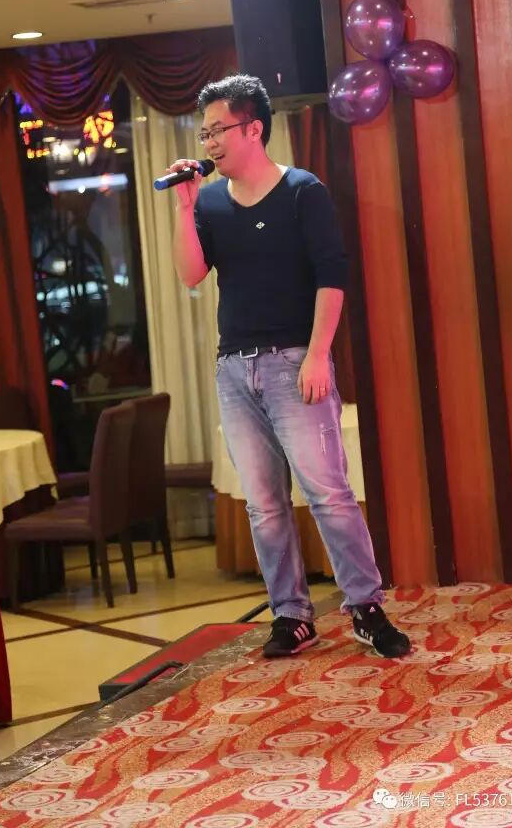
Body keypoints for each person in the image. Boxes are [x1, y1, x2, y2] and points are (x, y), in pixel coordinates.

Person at [169, 74, 410, 660]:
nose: (209, 143)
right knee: (263, 503)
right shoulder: (211, 201)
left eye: (218, 131)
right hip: (234, 368)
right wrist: (185, 206)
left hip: (293, 361)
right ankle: (292, 614)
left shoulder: (303, 190)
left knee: (327, 493)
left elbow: (332, 276)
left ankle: (365, 607)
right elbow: (191, 274)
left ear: (253, 128)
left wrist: (318, 353)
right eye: (204, 134)